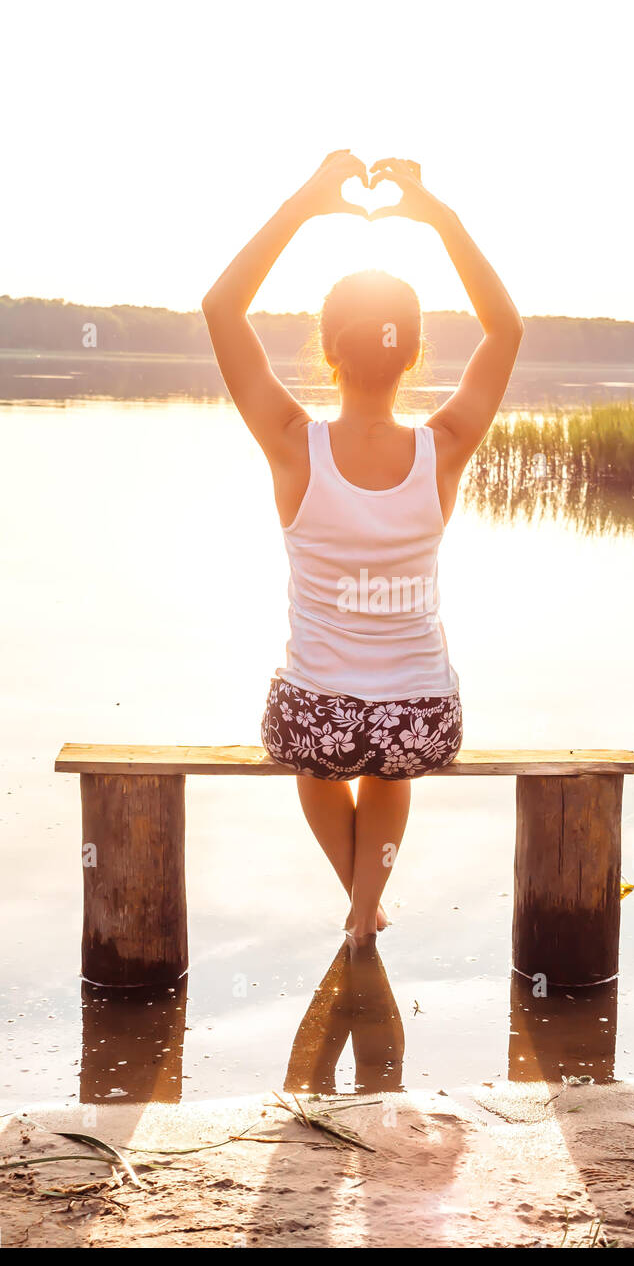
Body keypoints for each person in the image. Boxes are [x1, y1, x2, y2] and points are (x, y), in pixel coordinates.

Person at [202, 151, 522, 944]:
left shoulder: (290, 445)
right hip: (422, 717)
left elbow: (220, 310)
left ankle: (358, 901)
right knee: (389, 765)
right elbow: (506, 329)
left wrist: (306, 203)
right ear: (412, 355)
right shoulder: (442, 447)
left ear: (326, 350)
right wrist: (437, 215)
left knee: (316, 762)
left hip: (317, 718)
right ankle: (363, 906)